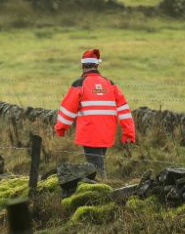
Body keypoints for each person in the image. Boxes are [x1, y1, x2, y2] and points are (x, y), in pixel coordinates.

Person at [54, 49, 135, 177]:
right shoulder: (110, 84)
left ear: (82, 65)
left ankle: (102, 192)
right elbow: (124, 110)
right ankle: (100, 188)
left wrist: (61, 128)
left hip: (89, 133)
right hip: (107, 132)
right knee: (98, 163)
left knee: (96, 170)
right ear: (97, 65)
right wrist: (129, 133)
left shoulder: (79, 84)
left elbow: (67, 109)